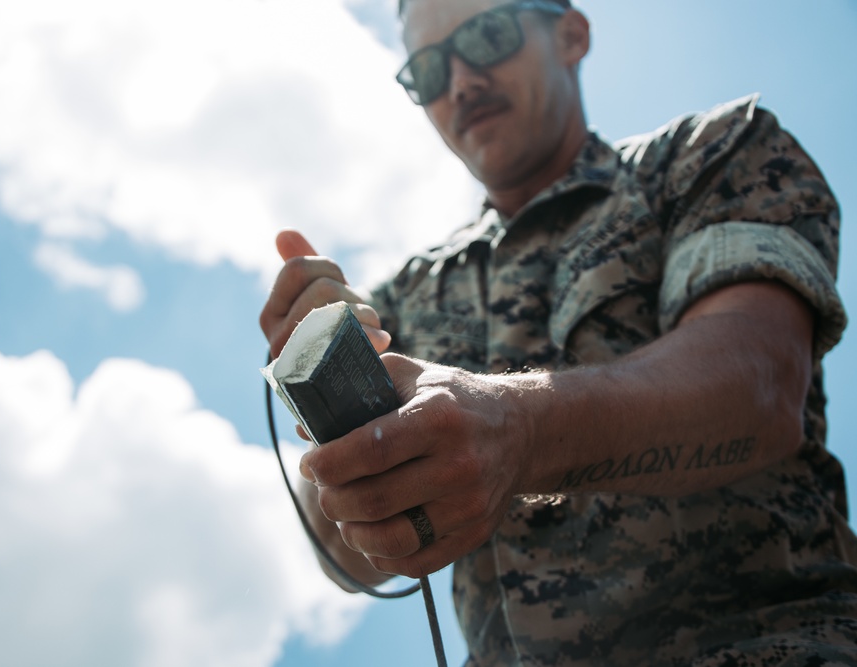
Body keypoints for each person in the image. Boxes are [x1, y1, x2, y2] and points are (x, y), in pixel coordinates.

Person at [259, 0, 857, 664]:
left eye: (487, 36)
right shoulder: (401, 301)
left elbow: (761, 385)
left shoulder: (707, 157)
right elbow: (344, 557)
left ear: (571, 34)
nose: (460, 82)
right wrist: (331, 393)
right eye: (427, 71)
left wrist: (519, 429)